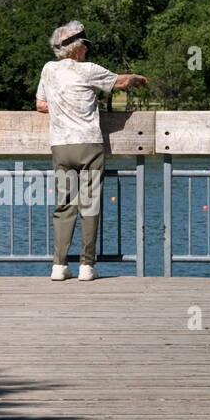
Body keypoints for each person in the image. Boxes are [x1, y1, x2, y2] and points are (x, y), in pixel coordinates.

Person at [35, 20, 147, 281]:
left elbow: (40, 104)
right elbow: (119, 82)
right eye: (84, 46)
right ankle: (87, 265)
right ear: (76, 48)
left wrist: (64, 108)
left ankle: (59, 265)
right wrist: (136, 78)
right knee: (89, 204)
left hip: (61, 146)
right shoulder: (89, 70)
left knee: (63, 206)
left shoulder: (48, 70)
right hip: (89, 145)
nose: (87, 51)